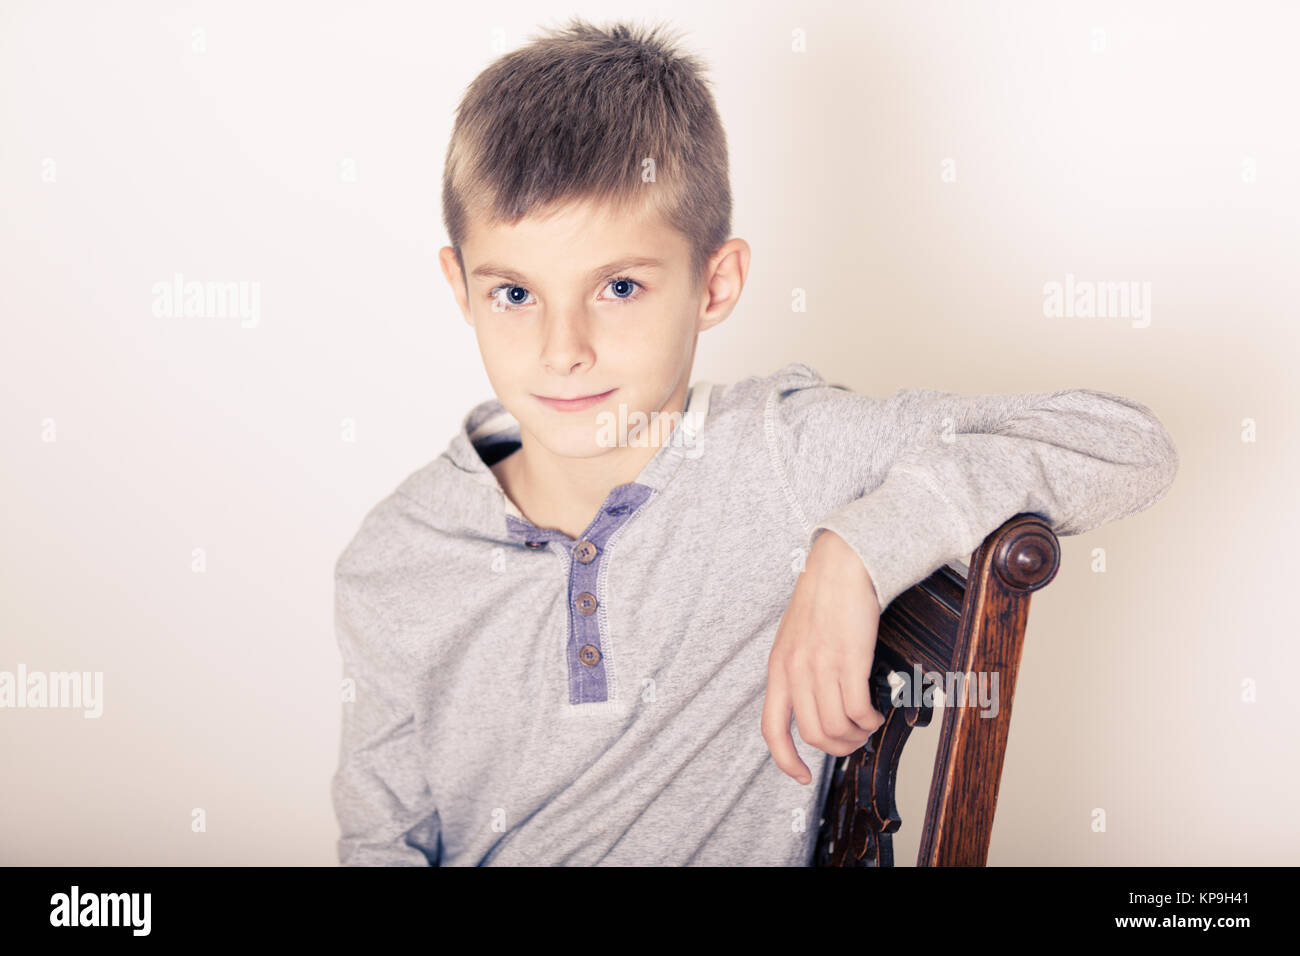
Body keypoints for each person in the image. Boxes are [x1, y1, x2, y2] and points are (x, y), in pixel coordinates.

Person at [330, 17, 1179, 866]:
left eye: (619, 286)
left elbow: (1125, 443)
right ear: (460, 287)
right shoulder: (397, 557)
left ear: (716, 283)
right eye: (514, 294)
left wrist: (854, 549)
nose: (563, 349)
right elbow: (379, 842)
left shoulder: (780, 457)